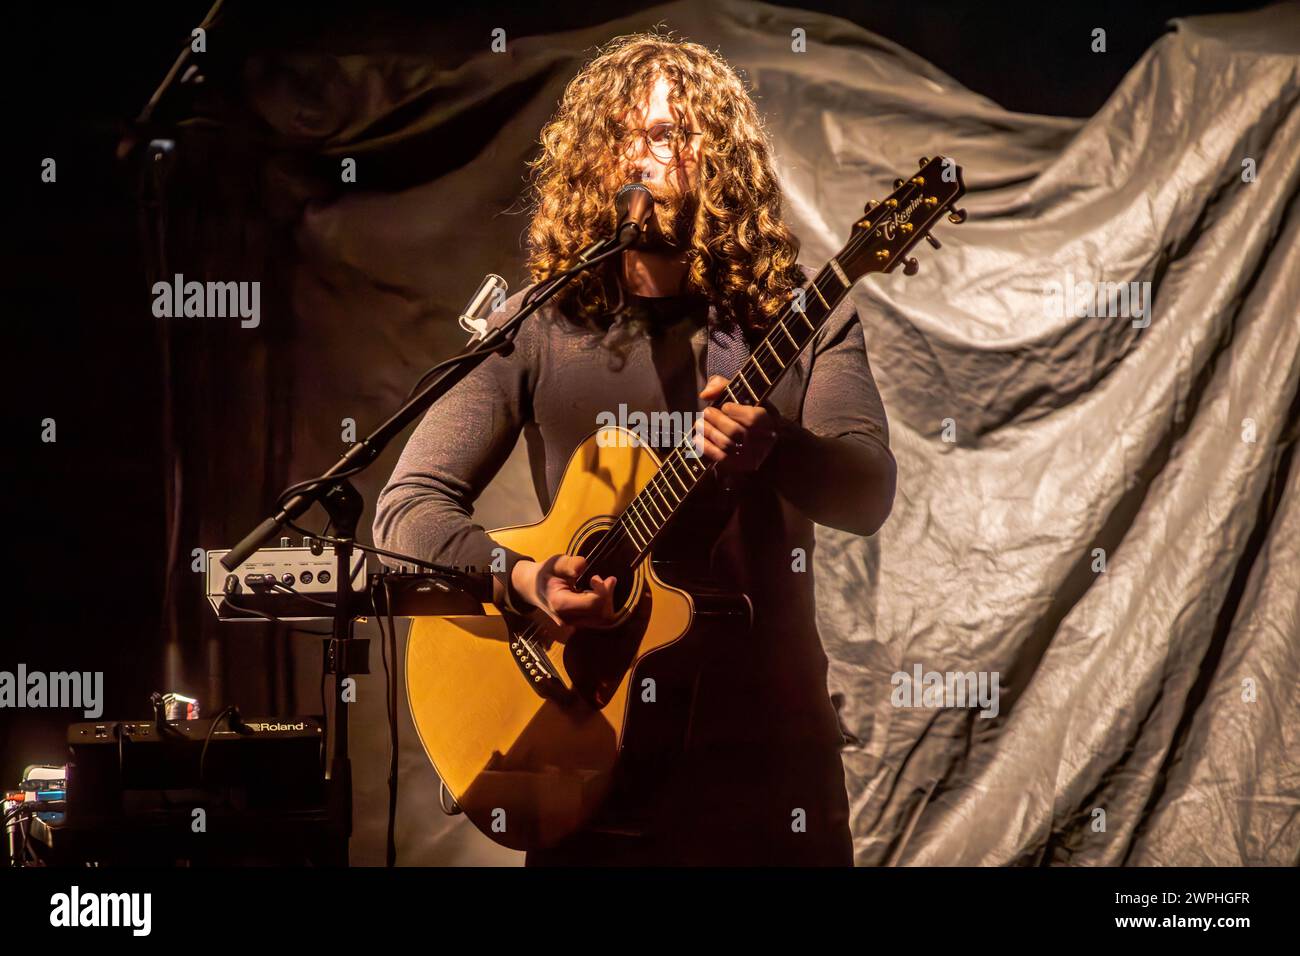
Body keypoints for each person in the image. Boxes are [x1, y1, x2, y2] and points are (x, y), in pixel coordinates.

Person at [373, 32, 896, 865]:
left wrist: (777, 447)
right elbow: (406, 511)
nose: (637, 156)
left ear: (717, 159)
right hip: (583, 759)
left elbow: (867, 495)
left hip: (764, 765)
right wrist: (525, 580)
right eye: (617, 135)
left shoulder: (803, 319)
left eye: (663, 135)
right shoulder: (539, 325)